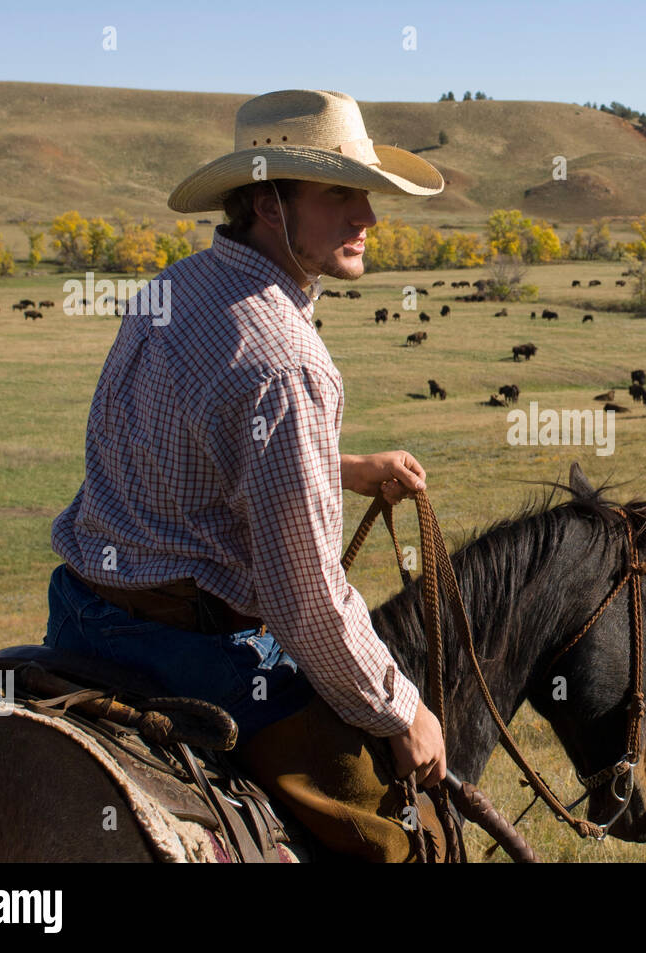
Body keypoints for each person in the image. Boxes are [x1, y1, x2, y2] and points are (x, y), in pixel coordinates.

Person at [44, 89, 451, 860]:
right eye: (341, 193)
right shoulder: (289, 360)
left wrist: (339, 467)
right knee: (397, 835)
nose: (368, 217)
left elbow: (179, 449)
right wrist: (405, 713)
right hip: (193, 652)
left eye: (366, 195)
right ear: (268, 201)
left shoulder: (174, 287)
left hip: (82, 615)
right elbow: (306, 605)